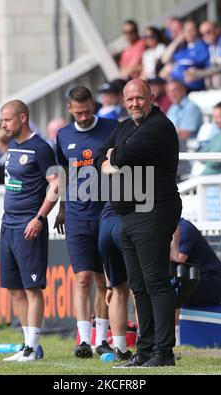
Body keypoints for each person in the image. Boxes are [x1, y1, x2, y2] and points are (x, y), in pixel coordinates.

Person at [94, 79, 182, 367]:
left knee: (156, 283)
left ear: (152, 97)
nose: (135, 104)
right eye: (129, 99)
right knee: (139, 286)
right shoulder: (123, 127)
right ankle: (145, 351)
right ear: (123, 100)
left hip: (154, 210)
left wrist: (113, 159)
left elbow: (122, 155)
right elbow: (99, 158)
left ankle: (163, 352)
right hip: (129, 214)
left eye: (140, 99)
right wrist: (109, 160)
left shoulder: (158, 126)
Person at [55, 87, 118, 358]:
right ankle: (83, 339)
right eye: (78, 112)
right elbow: (63, 172)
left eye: (87, 110)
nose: (83, 116)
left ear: (94, 104)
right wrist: (61, 207)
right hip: (77, 216)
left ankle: (102, 339)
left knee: (103, 279)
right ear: (69, 109)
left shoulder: (112, 127)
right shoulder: (63, 135)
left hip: (105, 212)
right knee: (82, 278)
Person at [0, 100, 59, 362]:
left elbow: (57, 184)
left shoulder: (41, 148)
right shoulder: (12, 145)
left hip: (28, 224)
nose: (3, 125)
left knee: (32, 288)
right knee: (13, 288)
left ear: (23, 118)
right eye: (2, 121)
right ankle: (28, 346)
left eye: (7, 120)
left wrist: (40, 217)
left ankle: (32, 348)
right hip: (7, 224)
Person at [171, 218, 221, 346]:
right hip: (197, 280)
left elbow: (176, 262)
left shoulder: (184, 228)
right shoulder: (167, 228)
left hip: (213, 284)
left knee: (172, 287)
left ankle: (175, 340)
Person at [98, 202, 132, 361]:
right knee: (139, 290)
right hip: (126, 222)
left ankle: (120, 348)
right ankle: (149, 346)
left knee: (117, 290)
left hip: (105, 226)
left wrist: (108, 285)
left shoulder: (113, 182)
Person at [166, 79, 203, 179]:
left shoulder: (191, 107)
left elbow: (185, 134)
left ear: (183, 90)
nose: (171, 94)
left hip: (187, 151)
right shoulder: (173, 108)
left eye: (175, 90)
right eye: (169, 91)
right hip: (174, 150)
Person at [160, 20, 210, 91]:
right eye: (187, 30)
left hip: (192, 84)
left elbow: (200, 65)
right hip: (178, 84)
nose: (189, 32)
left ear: (197, 31)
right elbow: (164, 59)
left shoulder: (202, 46)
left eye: (192, 29)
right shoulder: (183, 48)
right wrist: (177, 40)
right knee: (165, 71)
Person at [185, 21, 221, 89]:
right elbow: (213, 67)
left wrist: (198, 73)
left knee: (216, 78)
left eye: (208, 32)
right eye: (203, 34)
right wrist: (194, 75)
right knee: (208, 79)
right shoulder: (212, 46)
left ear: (217, 30)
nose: (206, 36)